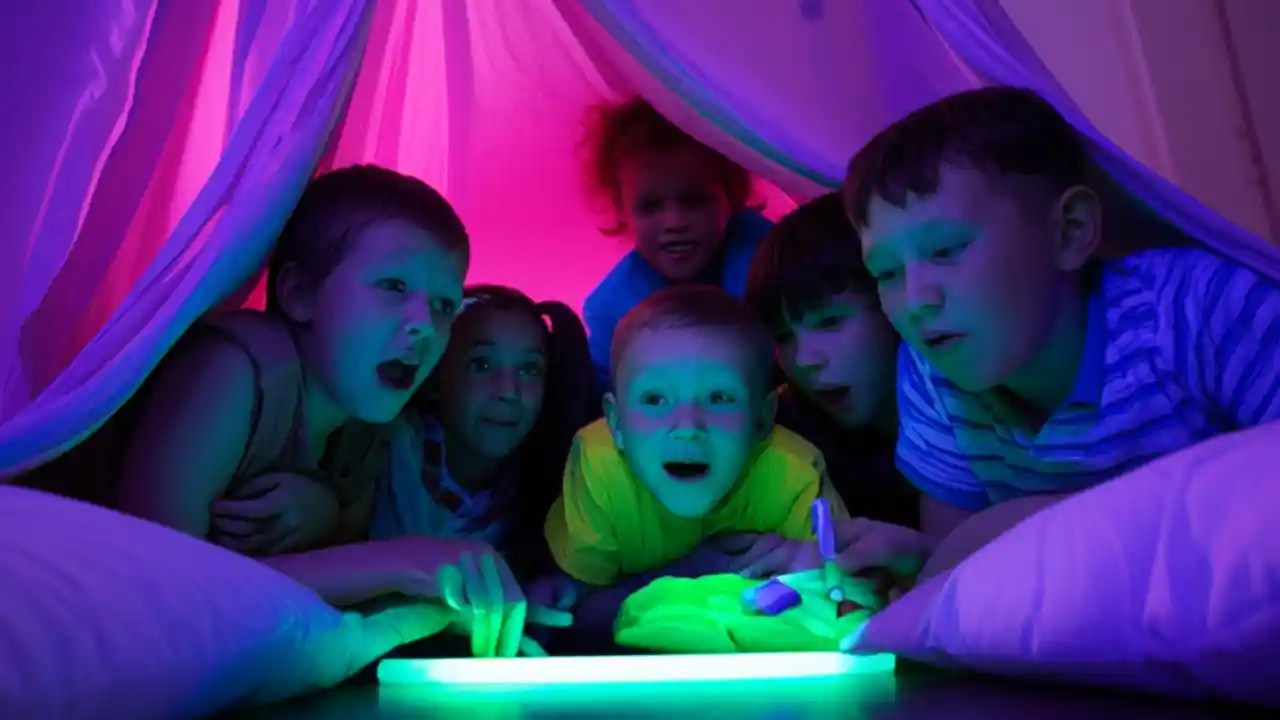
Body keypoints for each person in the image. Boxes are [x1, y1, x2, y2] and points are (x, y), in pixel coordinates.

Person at [836, 85, 1280, 579]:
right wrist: (922, 558)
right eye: (886, 273)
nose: (916, 300)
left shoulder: (1199, 308)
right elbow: (957, 574)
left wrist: (1010, 525)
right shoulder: (931, 370)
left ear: (1068, 231)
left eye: (946, 250)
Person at [543, 285, 848, 633]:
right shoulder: (598, 468)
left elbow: (845, 604)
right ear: (616, 423)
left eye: (719, 397)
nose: (687, 426)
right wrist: (695, 569)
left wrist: (809, 575)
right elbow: (580, 618)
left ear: (761, 419)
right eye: (655, 399)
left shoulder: (794, 474)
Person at [371, 284, 596, 581]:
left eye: (529, 369)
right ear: (436, 376)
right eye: (482, 364)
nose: (508, 391)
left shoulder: (553, 482)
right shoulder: (384, 450)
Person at [744, 192, 918, 529]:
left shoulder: (968, 409)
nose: (806, 359)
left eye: (829, 322)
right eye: (783, 337)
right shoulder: (787, 433)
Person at [579, 98, 773, 394]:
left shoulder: (769, 257)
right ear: (622, 210)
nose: (674, 222)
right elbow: (598, 397)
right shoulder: (613, 309)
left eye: (694, 201)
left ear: (731, 194)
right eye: (650, 206)